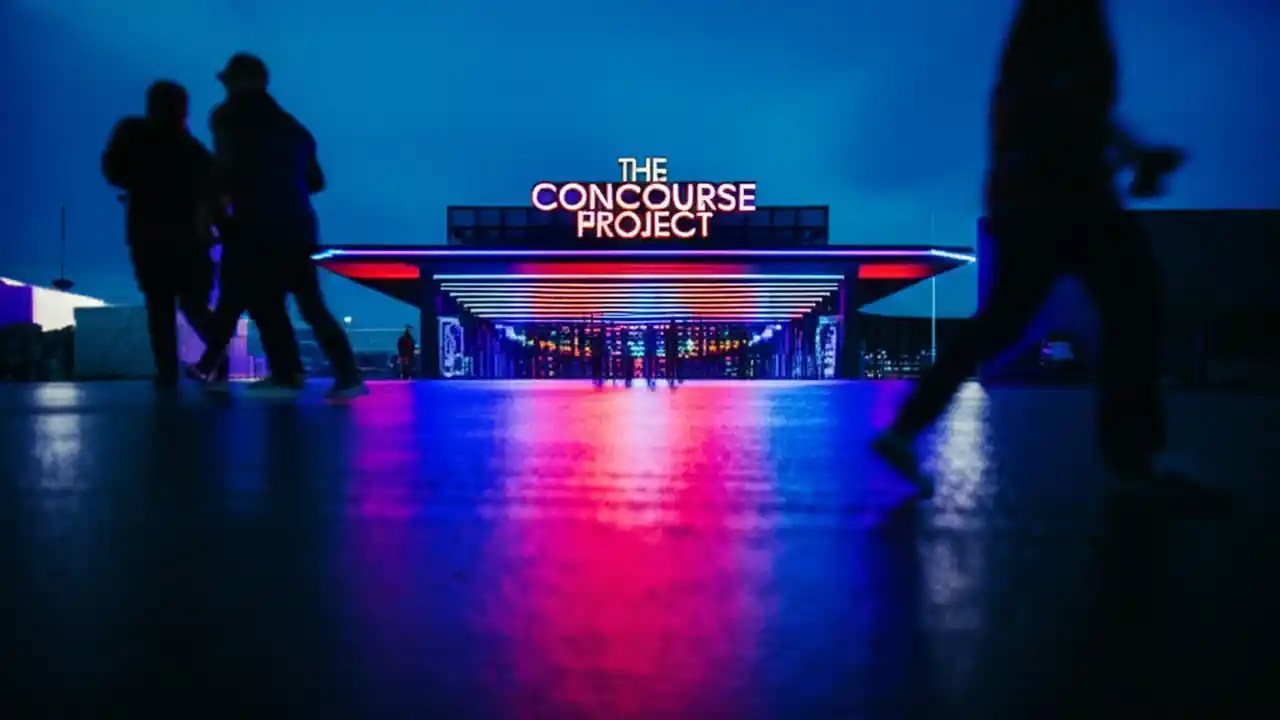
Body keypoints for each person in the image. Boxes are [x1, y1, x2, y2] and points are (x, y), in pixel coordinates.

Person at [871, 0, 1220, 504]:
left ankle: (904, 428)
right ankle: (1137, 456)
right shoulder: (1069, 24)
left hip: (1030, 194)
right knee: (1133, 303)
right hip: (1069, 192)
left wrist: (1133, 155)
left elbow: (1065, 106)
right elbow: (1070, 106)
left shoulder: (1039, 32)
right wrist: (1132, 157)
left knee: (1003, 322)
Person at [186, 53, 366, 398]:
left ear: (238, 81)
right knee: (311, 303)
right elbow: (315, 180)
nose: (223, 86)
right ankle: (347, 374)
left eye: (226, 81)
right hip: (298, 225)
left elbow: (222, 171)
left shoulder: (228, 117)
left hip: (253, 225)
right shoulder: (296, 128)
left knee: (260, 302)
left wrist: (212, 218)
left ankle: (285, 373)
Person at [102, 80, 222, 387]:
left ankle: (167, 373)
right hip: (191, 240)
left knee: (159, 306)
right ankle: (217, 362)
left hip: (148, 234)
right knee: (193, 305)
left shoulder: (134, 135)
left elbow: (113, 170)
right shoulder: (195, 153)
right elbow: (214, 196)